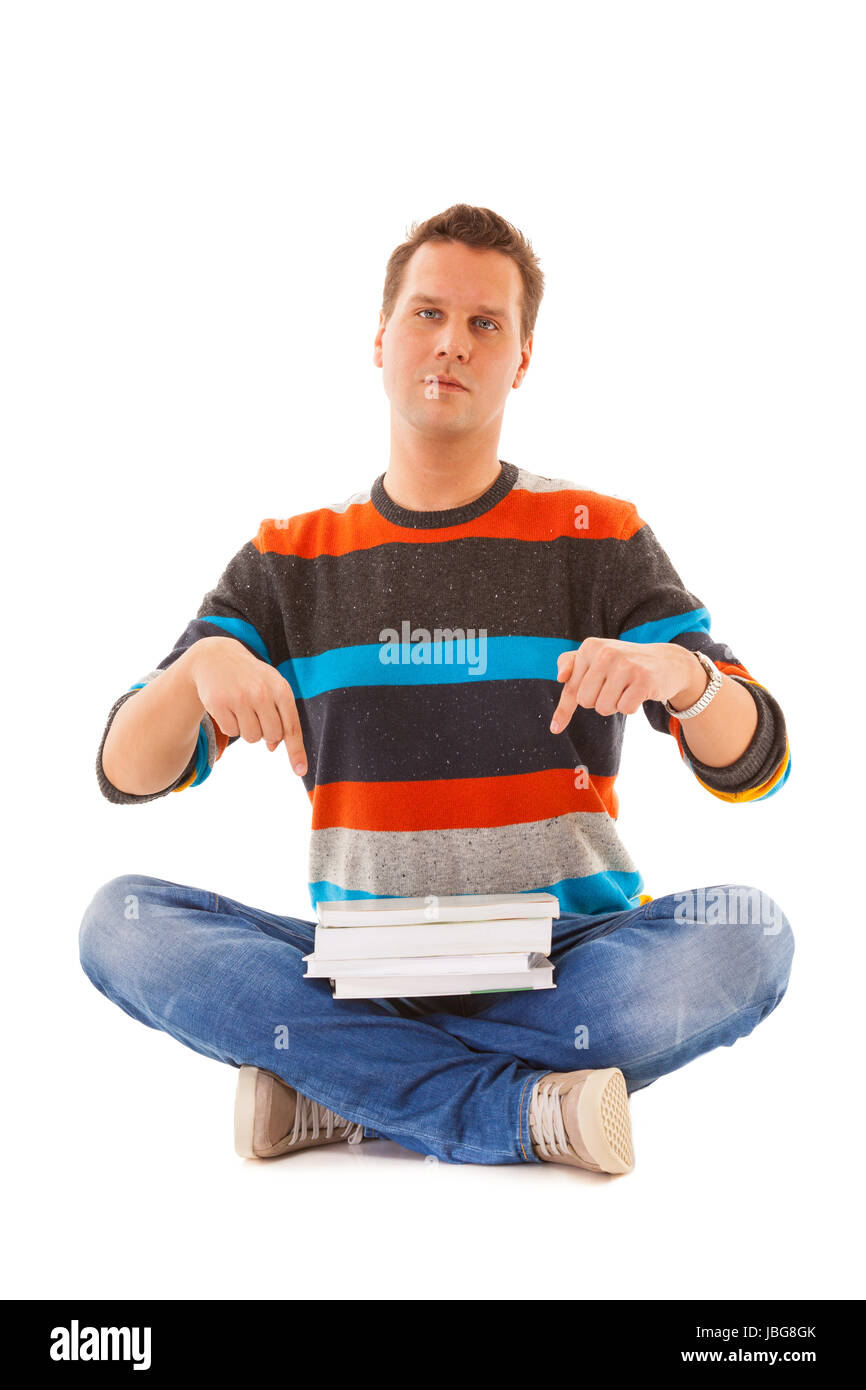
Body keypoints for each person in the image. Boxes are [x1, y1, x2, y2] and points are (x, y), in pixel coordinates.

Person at [79, 204, 793, 1176]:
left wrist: (686, 675)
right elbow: (125, 769)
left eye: (484, 323)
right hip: (359, 966)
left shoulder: (598, 533)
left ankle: (337, 1090)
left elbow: (756, 759)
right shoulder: (291, 557)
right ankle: (518, 1110)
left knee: (748, 936)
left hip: (565, 957)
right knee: (122, 924)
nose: (451, 342)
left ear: (521, 359)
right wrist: (195, 670)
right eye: (426, 313)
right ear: (379, 339)